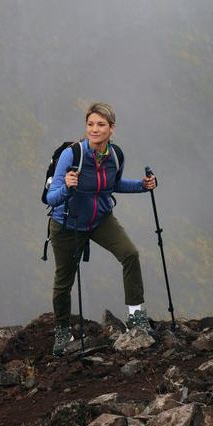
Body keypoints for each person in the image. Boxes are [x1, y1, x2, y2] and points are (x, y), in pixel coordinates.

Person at [44, 102, 157, 354]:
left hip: (100, 219)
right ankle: (62, 330)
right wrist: (67, 187)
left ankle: (136, 317)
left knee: (130, 254)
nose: (94, 129)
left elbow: (113, 185)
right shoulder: (71, 155)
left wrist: (143, 185)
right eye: (90, 124)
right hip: (67, 223)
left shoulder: (115, 155)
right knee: (64, 280)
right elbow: (51, 198)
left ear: (111, 128)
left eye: (100, 125)